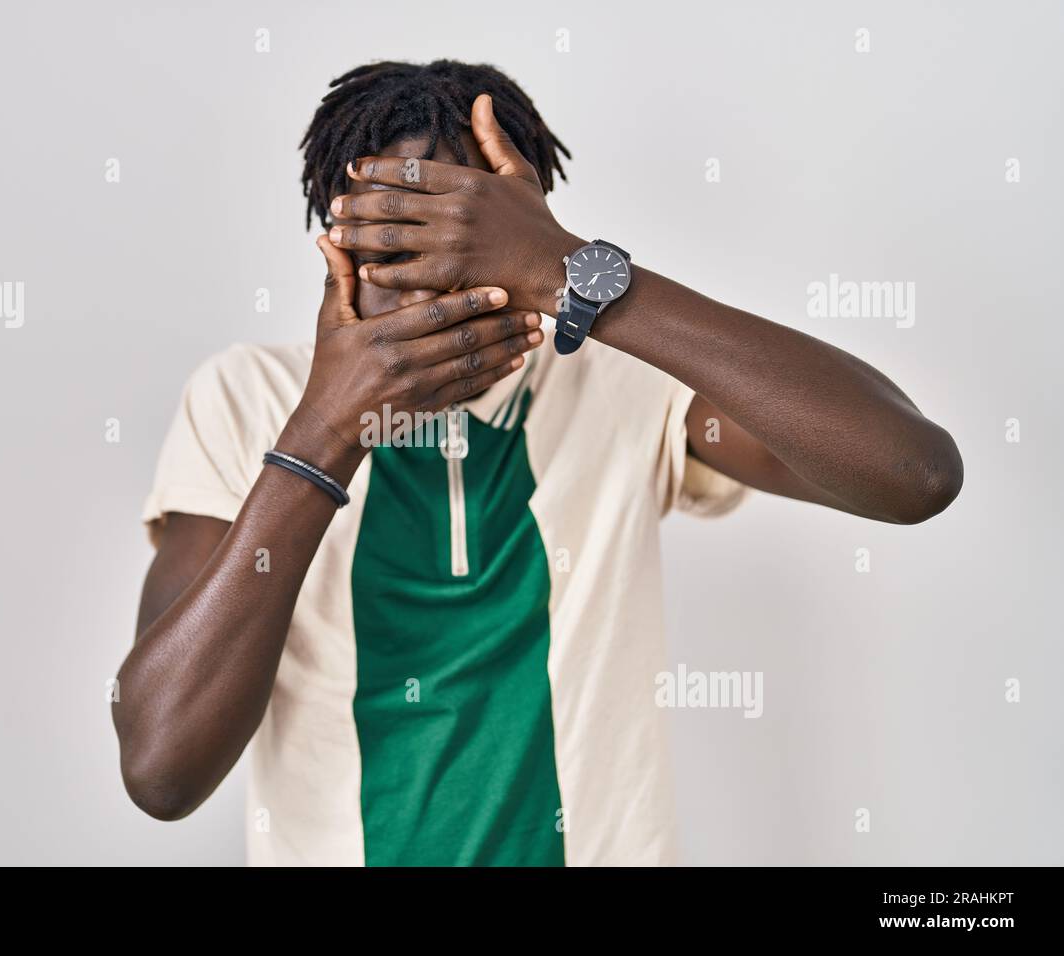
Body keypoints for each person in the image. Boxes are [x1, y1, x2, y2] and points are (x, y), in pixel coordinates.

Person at [111, 60, 963, 866]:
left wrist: (584, 279)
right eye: (394, 252)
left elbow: (914, 473)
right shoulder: (247, 398)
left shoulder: (617, 378)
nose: (429, 302)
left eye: (466, 256)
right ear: (337, 251)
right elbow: (161, 769)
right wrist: (327, 430)